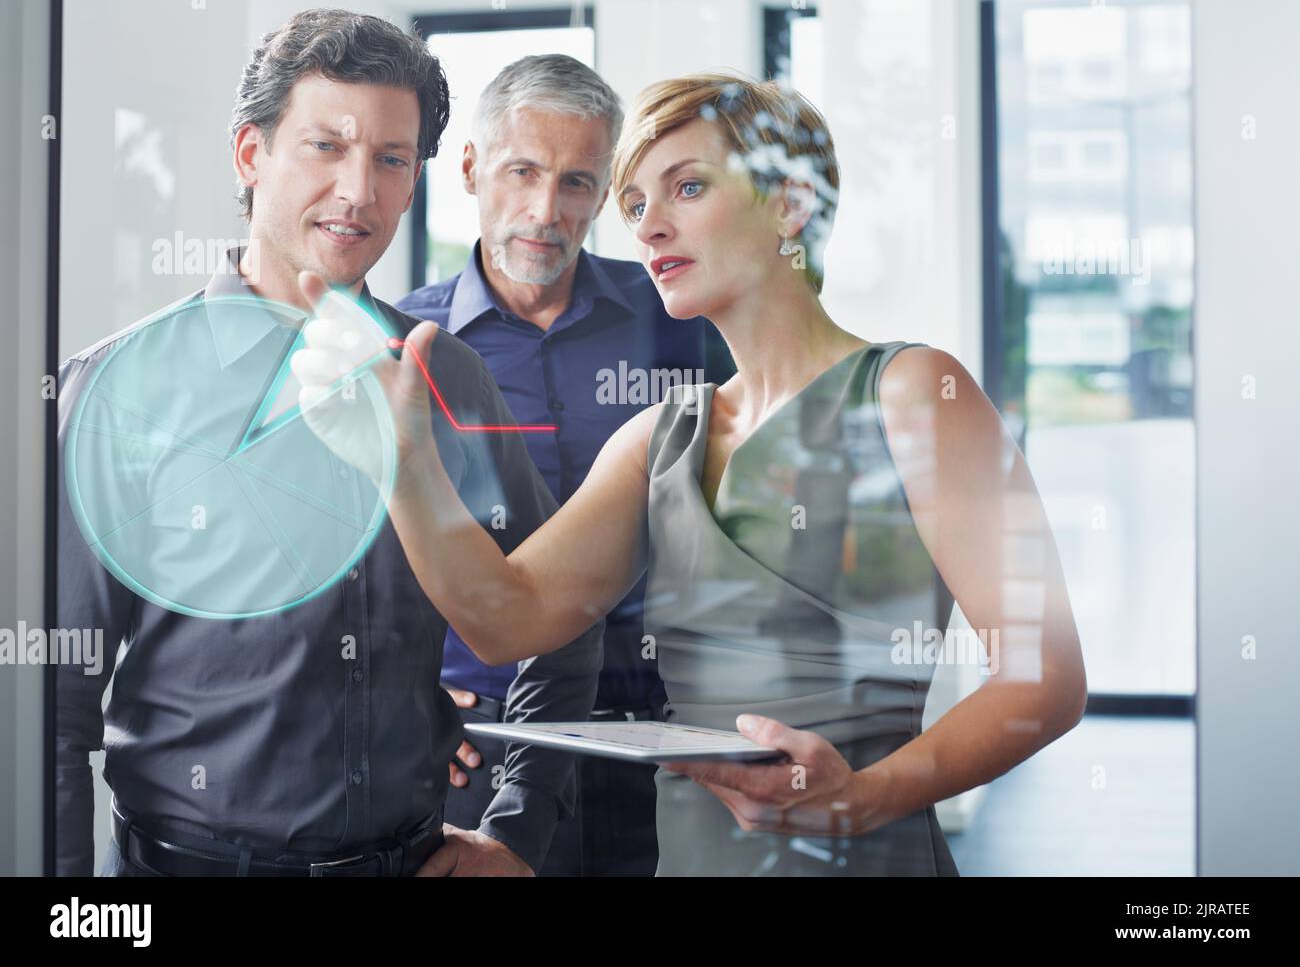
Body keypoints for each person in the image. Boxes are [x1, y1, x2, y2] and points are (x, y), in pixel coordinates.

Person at [293, 71, 1089, 876]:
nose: (649, 227)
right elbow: (507, 617)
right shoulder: (662, 435)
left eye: (688, 187)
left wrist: (862, 799)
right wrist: (403, 464)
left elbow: (1045, 679)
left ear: (790, 203)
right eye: (635, 204)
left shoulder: (917, 392)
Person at [54, 8, 602, 877]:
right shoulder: (121, 391)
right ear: (250, 155)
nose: (360, 191)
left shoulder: (450, 379)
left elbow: (563, 617)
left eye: (392, 159)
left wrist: (517, 831)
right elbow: (51, 710)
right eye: (326, 148)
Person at [398, 54, 730, 876]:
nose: (547, 211)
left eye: (578, 183)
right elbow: (370, 557)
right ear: (472, 169)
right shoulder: (407, 344)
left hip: (653, 738)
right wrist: (403, 705)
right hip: (478, 744)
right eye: (522, 172)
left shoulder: (679, 322)